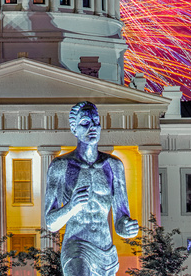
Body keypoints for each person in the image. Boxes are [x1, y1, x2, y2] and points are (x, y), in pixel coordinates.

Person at [45, 100, 138, 276]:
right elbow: (50, 223)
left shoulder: (114, 165)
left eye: (96, 121)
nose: (92, 127)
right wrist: (71, 208)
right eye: (85, 123)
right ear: (74, 129)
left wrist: (126, 227)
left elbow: (120, 218)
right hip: (76, 248)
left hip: (106, 251)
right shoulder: (61, 166)